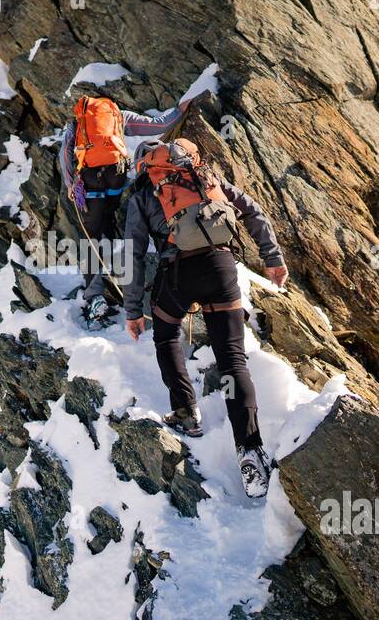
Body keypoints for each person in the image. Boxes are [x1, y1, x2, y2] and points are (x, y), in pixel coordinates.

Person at [122, 137, 289, 498]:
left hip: (179, 276)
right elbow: (252, 210)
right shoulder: (204, 178)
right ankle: (249, 449)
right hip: (221, 267)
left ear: (145, 168)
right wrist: (272, 258)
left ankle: (186, 411)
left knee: (166, 335)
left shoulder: (142, 196)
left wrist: (133, 311)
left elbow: (133, 256)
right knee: (232, 360)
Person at [58, 94, 198, 328]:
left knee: (91, 237)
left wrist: (71, 184)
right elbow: (158, 125)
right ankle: (115, 270)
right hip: (115, 178)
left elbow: (65, 154)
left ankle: (95, 295)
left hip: (89, 183)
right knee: (110, 220)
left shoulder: (77, 124)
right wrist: (180, 109)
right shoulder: (118, 117)